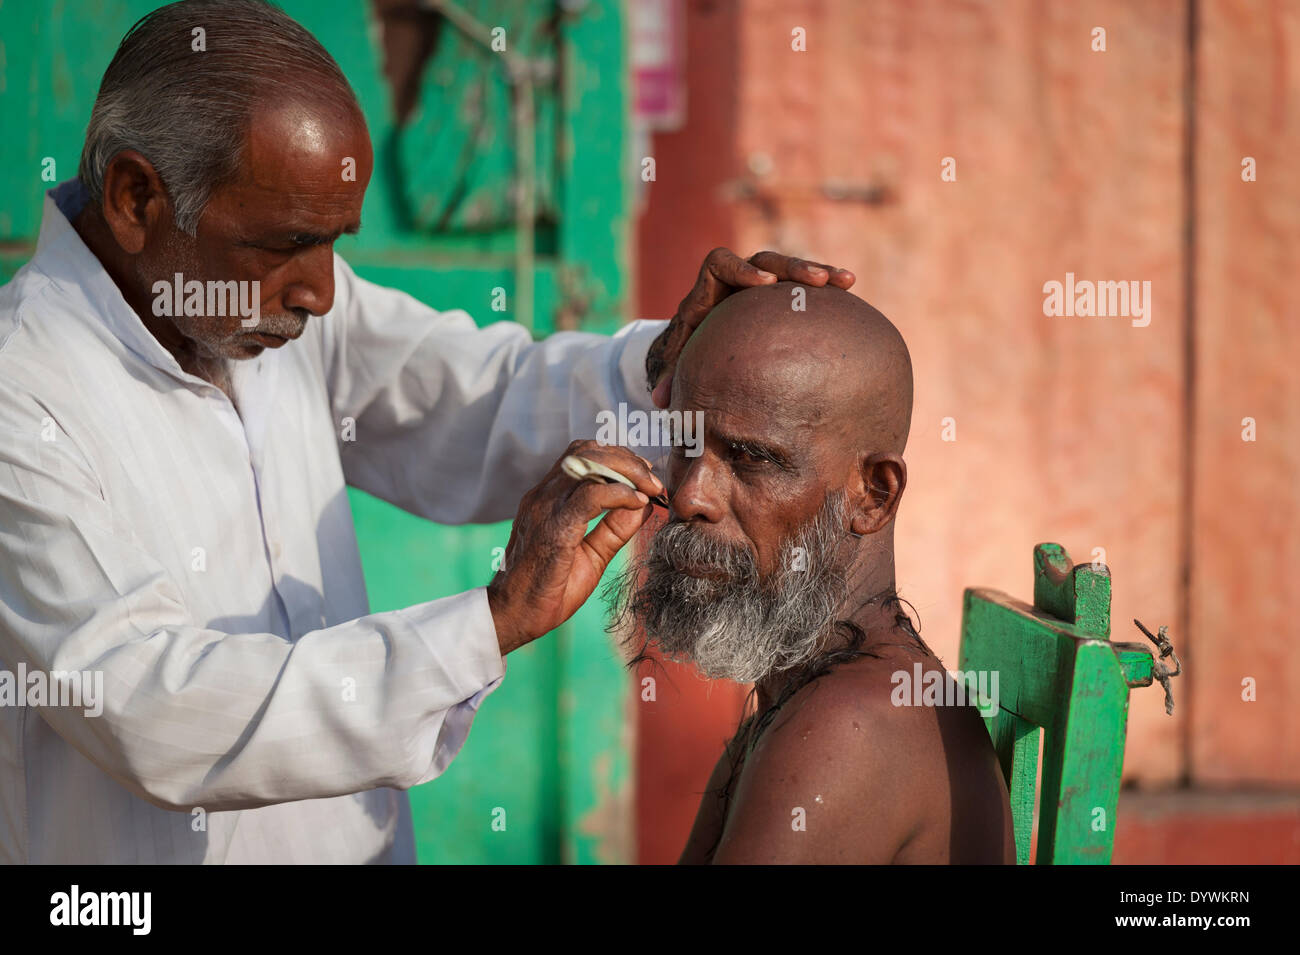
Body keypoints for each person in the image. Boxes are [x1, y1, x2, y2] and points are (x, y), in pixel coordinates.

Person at [0, 0, 854, 863]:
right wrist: (487, 621)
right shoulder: (23, 398)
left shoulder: (262, 306)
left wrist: (659, 368)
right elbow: (147, 708)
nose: (322, 294)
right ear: (137, 197)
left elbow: (476, 399)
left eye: (334, 243)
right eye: (286, 243)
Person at [608, 282, 1016, 863]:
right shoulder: (806, 694)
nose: (690, 495)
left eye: (752, 459)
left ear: (873, 495)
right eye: (685, 445)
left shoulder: (851, 726)